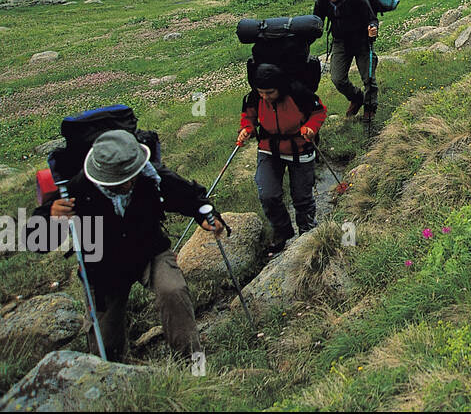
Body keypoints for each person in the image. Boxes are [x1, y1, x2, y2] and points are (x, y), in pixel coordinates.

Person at [29, 129, 222, 363]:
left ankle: (193, 363)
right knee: (106, 344)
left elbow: (188, 195)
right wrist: (51, 217)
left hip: (150, 252)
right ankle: (112, 374)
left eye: (132, 175)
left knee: (173, 291)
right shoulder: (75, 191)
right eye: (121, 180)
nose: (130, 182)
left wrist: (204, 213)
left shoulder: (150, 175)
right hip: (103, 268)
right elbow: (36, 242)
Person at [238, 62, 327, 254]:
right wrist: (247, 129)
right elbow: (249, 117)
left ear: (280, 87)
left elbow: (319, 112)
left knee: (302, 198)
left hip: (300, 148)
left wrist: (311, 127)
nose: (265, 97)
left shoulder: (299, 94)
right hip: (269, 149)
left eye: (269, 92)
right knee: (267, 194)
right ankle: (282, 230)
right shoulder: (254, 97)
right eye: (261, 92)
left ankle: (307, 232)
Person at [312, 0, 379, 122]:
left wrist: (373, 28)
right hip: (340, 41)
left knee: (368, 77)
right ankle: (357, 98)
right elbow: (316, 20)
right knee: (337, 79)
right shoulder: (322, 0)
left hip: (361, 41)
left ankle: (370, 108)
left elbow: (372, 18)